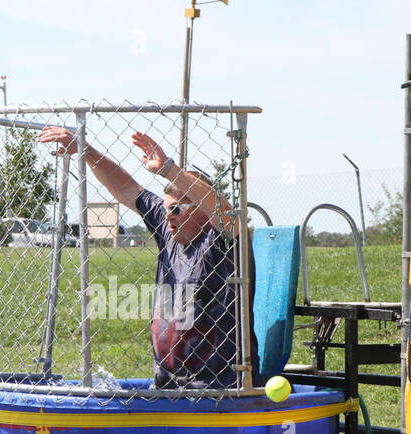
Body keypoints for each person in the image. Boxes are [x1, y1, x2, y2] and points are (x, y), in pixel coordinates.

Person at [38, 127, 257, 390]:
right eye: (166, 209)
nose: (168, 216)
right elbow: (128, 189)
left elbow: (226, 215)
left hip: (217, 387)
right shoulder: (169, 233)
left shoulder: (222, 242)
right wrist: (86, 151)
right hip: (168, 386)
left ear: (201, 208)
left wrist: (169, 169)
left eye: (176, 209)